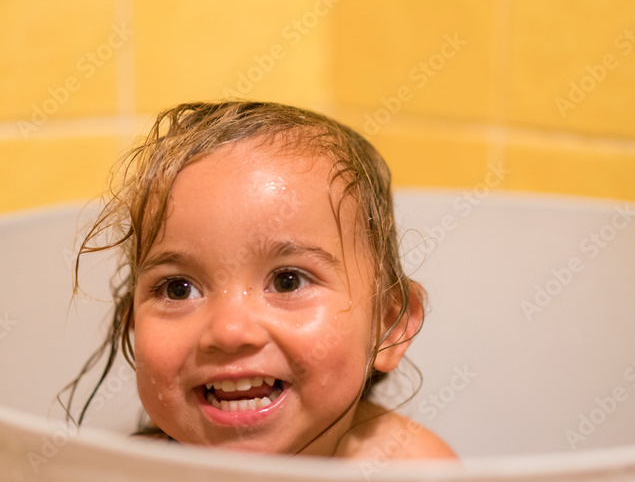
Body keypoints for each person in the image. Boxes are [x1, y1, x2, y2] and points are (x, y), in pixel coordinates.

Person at [64, 100, 459, 462]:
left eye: (288, 281)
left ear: (388, 325)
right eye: (177, 288)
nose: (229, 331)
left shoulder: (413, 476)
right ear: (132, 323)